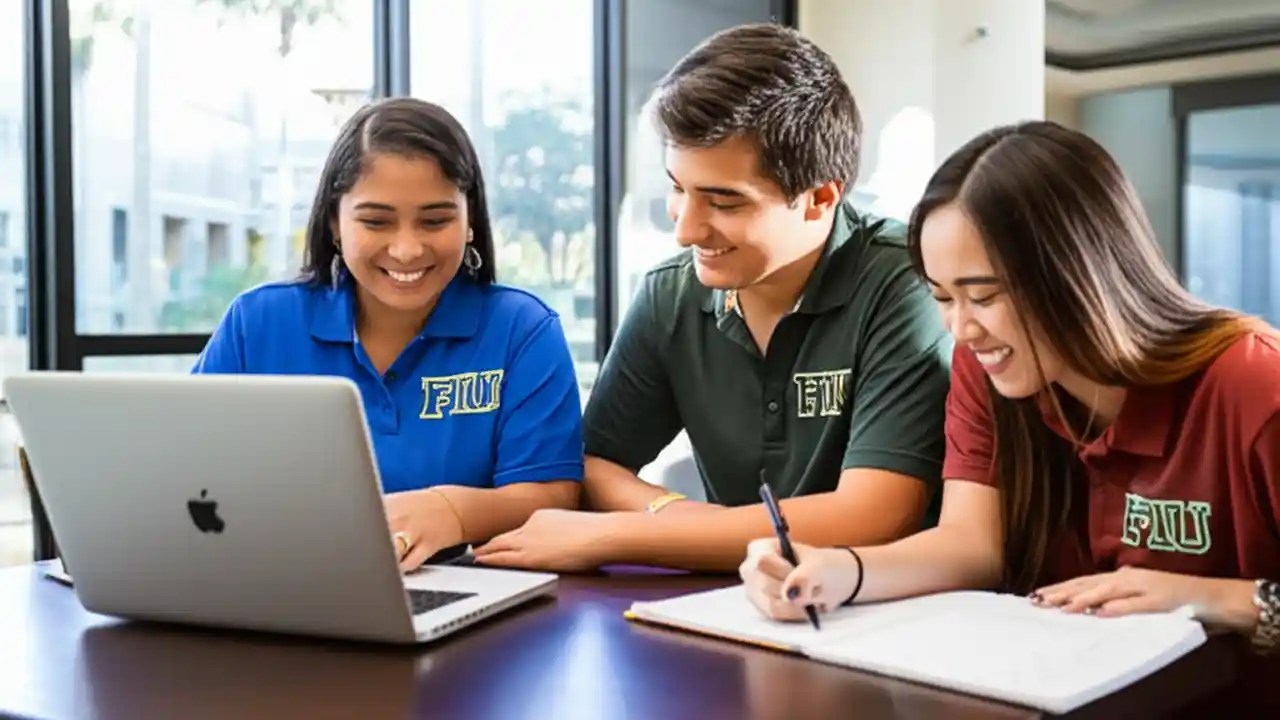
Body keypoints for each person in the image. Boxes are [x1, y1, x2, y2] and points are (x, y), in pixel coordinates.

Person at [738, 121, 1279, 700]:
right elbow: (972, 546)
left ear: (1081, 272)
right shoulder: (989, 370)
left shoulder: (1254, 384)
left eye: (986, 296)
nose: (962, 329)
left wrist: (1216, 599)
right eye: (943, 298)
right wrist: (840, 573)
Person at [474, 23, 951, 573]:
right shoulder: (672, 292)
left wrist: (621, 536)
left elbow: (875, 516)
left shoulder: (905, 280)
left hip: (883, 612)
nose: (685, 230)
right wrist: (670, 513)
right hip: (742, 604)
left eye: (723, 203)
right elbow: (593, 461)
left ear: (820, 198)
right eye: (679, 189)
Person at [192, 97, 584, 572]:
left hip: (467, 590)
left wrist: (452, 510)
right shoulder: (257, 324)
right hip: (279, 579)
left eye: (436, 220)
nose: (406, 249)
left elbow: (553, 496)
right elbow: (190, 472)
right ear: (334, 223)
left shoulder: (523, 331)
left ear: (470, 222)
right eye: (375, 221)